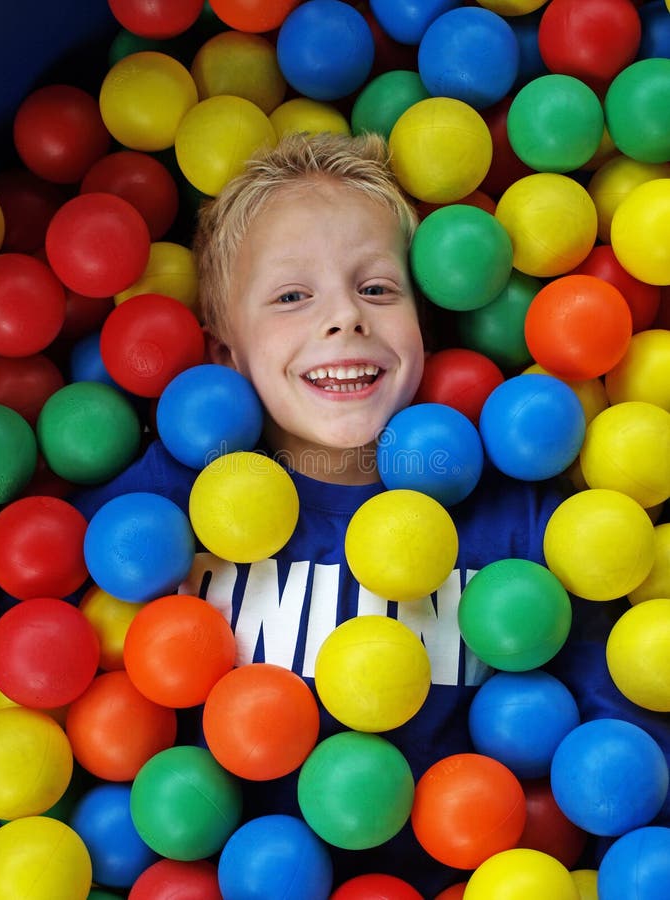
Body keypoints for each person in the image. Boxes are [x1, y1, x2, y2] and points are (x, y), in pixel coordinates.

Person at [71, 132, 668, 896]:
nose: (344, 318)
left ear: (428, 320)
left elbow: (618, 702)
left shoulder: (513, 515)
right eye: (292, 296)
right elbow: (52, 594)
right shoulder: (171, 507)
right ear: (225, 358)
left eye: (377, 289)